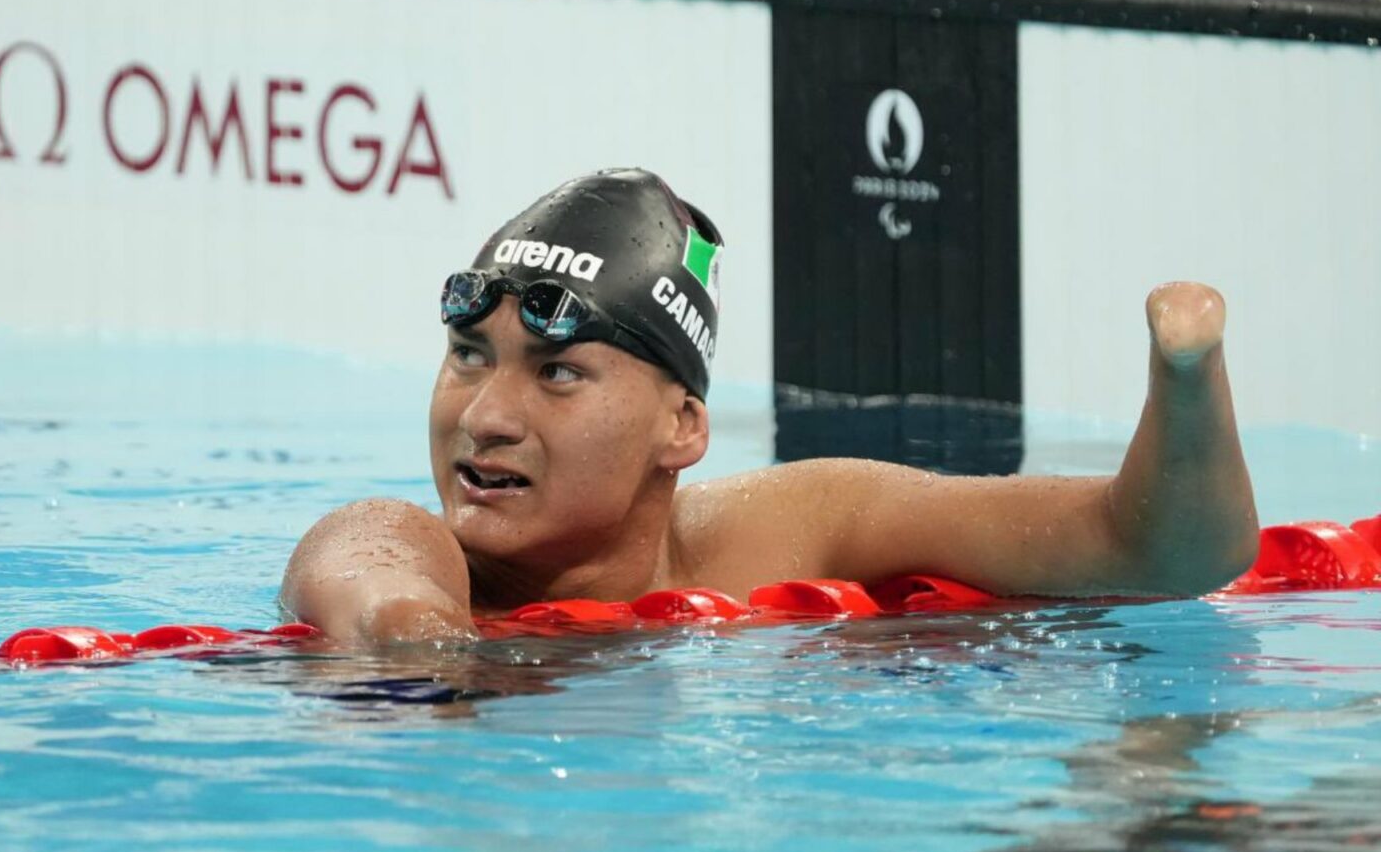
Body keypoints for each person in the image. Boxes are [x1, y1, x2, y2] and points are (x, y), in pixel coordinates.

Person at [281, 168, 1259, 645]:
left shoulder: (801, 525)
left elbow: (1163, 554)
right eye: (467, 355)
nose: (484, 414)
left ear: (684, 427)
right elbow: (387, 611)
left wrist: (1187, 377)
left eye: (558, 371)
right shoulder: (399, 536)